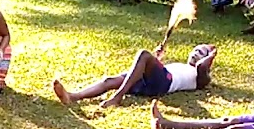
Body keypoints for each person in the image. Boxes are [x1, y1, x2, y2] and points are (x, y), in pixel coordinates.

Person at [53, 44, 216, 109]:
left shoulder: (201, 77)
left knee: (143, 55)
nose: (196, 53)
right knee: (110, 80)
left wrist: (212, 54)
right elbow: (152, 69)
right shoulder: (181, 66)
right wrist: (157, 58)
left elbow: (202, 66)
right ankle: (73, 96)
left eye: (201, 53)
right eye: (196, 50)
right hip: (152, 81)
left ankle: (117, 97)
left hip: (163, 85)